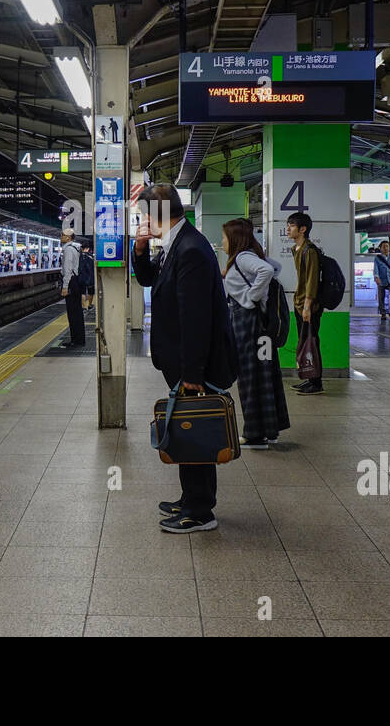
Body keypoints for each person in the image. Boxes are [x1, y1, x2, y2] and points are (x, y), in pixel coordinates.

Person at [133, 184, 237, 533]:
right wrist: (140, 248)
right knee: (186, 426)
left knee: (195, 428)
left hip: (190, 362)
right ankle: (190, 496)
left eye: (146, 213)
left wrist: (193, 370)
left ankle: (200, 511)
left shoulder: (189, 248)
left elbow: (195, 317)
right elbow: (149, 279)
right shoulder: (178, 243)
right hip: (179, 358)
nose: (143, 220)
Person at [222, 218, 290, 450]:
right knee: (266, 375)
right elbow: (275, 268)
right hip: (263, 327)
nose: (222, 242)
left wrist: (251, 296)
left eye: (224, 237)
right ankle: (269, 430)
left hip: (248, 325)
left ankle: (253, 434)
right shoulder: (249, 255)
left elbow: (267, 270)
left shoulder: (242, 257)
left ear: (234, 238)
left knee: (250, 378)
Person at [287, 212, 323, 395]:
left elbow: (312, 280)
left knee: (312, 342)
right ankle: (309, 378)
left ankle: (316, 382)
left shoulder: (309, 251)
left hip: (308, 306)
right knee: (304, 342)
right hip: (299, 303)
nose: (288, 228)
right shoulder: (297, 249)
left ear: (303, 229)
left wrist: (307, 305)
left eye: (292, 225)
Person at [59, 228, 85, 347]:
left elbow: (68, 269)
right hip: (76, 282)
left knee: (73, 312)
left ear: (68, 238)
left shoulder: (68, 250)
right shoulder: (75, 248)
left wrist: (65, 286)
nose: (61, 236)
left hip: (71, 282)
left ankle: (76, 340)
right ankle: (78, 339)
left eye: (63, 235)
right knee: (77, 311)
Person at [373, 239, 390, 320]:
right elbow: (376, 269)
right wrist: (377, 277)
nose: (385, 248)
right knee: (381, 297)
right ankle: (383, 313)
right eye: (384, 247)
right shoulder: (377, 258)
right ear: (380, 248)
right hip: (381, 280)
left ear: (389, 248)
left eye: (387, 246)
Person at [79, 240, 96, 313]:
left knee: (82, 292)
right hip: (90, 277)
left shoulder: (78, 256)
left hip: (81, 277)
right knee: (90, 292)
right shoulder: (91, 257)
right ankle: (89, 305)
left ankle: (83, 307)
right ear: (88, 248)